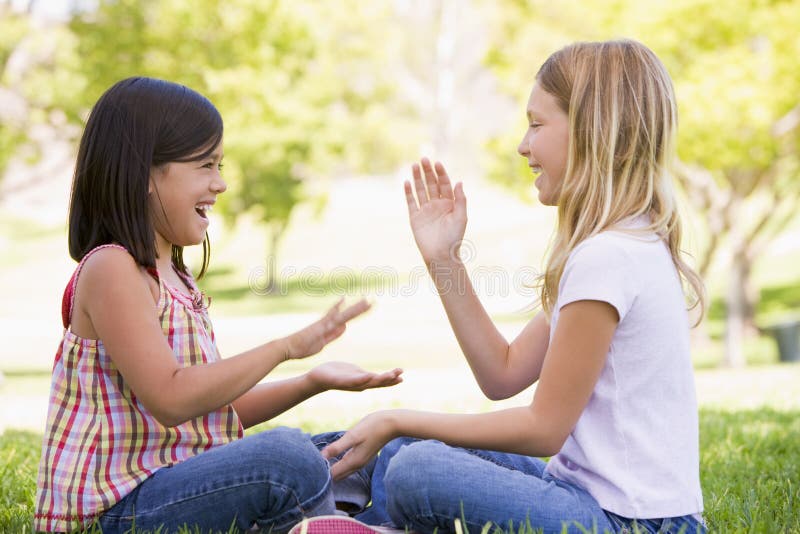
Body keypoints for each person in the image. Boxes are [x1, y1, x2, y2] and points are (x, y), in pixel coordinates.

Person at [318, 39, 708, 534]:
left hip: (628, 523)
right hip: (595, 502)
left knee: (418, 468)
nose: (523, 145)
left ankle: (353, 521)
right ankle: (358, 522)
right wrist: (444, 258)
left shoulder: (608, 258)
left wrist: (399, 416)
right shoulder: (620, 244)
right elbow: (502, 375)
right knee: (405, 454)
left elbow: (544, 428)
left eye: (537, 124)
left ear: (594, 132)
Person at [33, 76, 403, 534]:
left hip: (178, 483)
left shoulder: (174, 274)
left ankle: (357, 522)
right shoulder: (113, 269)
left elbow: (212, 412)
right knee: (285, 458)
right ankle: (341, 522)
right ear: (145, 172)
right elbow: (171, 398)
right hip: (119, 510)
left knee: (361, 447)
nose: (221, 183)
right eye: (206, 165)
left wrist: (312, 380)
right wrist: (285, 347)